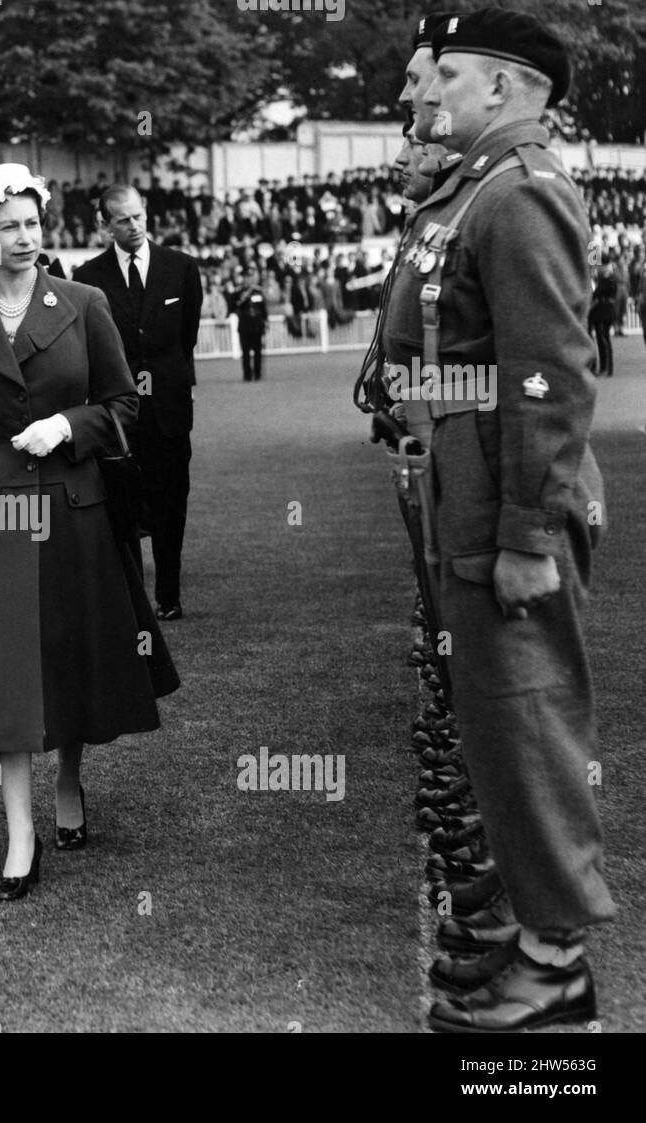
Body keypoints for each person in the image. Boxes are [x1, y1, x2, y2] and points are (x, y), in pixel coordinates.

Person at [381, 8, 615, 1032]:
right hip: (469, 492)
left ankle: (556, 964)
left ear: (509, 87)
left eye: (457, 76)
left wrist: (528, 534)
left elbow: (548, 379)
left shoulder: (519, 194)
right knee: (497, 724)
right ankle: (532, 939)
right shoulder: (479, 188)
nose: (438, 93)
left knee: (531, 724)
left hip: (505, 505)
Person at [0, 164, 178, 900]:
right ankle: (19, 833)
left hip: (73, 502)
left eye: (33, 223)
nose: (26, 238)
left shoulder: (86, 302)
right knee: (4, 669)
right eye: (9, 227)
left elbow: (124, 403)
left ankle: (69, 779)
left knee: (66, 658)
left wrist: (68, 423)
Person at [73, 185, 202, 621]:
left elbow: (186, 340)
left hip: (168, 411)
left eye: (139, 216)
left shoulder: (181, 269)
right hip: (117, 416)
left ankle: (169, 594)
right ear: (104, 225)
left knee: (171, 504)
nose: (134, 226)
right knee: (121, 509)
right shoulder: (88, 276)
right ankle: (130, 601)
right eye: (123, 220)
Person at [229, 268, 267, 381]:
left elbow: (263, 309)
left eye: (250, 277)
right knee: (245, 352)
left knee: (258, 352)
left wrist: (265, 321)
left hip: (257, 325)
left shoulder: (258, 291)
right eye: (246, 277)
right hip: (245, 325)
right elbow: (233, 307)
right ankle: (247, 375)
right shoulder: (238, 292)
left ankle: (258, 373)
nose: (248, 279)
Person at [589, 263, 616, 377]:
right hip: (601, 312)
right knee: (601, 340)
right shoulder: (606, 280)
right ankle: (604, 367)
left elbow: (597, 294)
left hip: (602, 312)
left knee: (603, 340)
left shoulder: (606, 281)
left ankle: (606, 367)